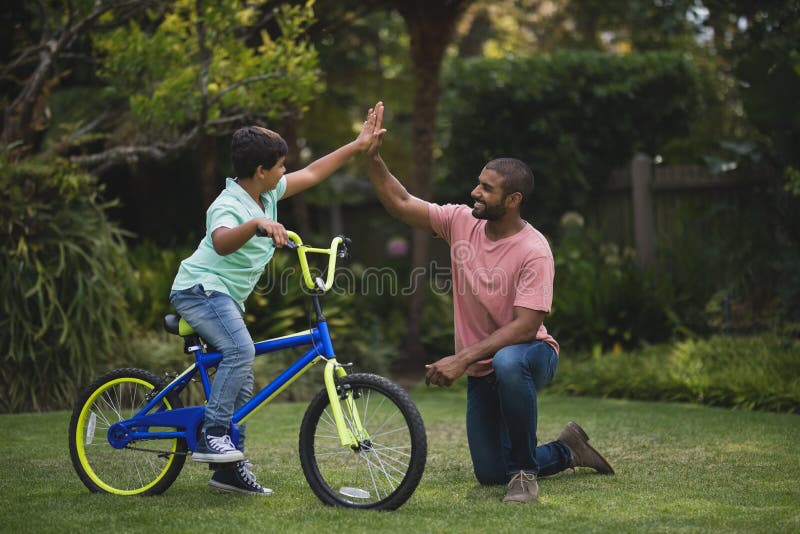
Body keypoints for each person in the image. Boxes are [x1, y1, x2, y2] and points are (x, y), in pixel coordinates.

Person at [364, 102, 614, 503]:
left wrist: (460, 359)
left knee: (509, 361)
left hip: (531, 355)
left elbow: (525, 327)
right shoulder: (462, 221)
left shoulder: (534, 249)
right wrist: (374, 158)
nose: (474, 192)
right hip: (482, 367)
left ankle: (525, 474)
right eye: (478, 183)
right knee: (489, 473)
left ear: (513, 199)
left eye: (486, 188)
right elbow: (401, 202)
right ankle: (569, 450)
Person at [169, 104, 382, 495]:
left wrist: (357, 145)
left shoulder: (267, 194)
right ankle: (213, 433)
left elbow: (315, 173)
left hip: (224, 297)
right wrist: (254, 226)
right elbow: (220, 241)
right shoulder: (229, 205)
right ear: (261, 171)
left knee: (243, 379)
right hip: (199, 290)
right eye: (281, 165)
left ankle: (227, 470)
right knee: (241, 351)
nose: (286, 171)